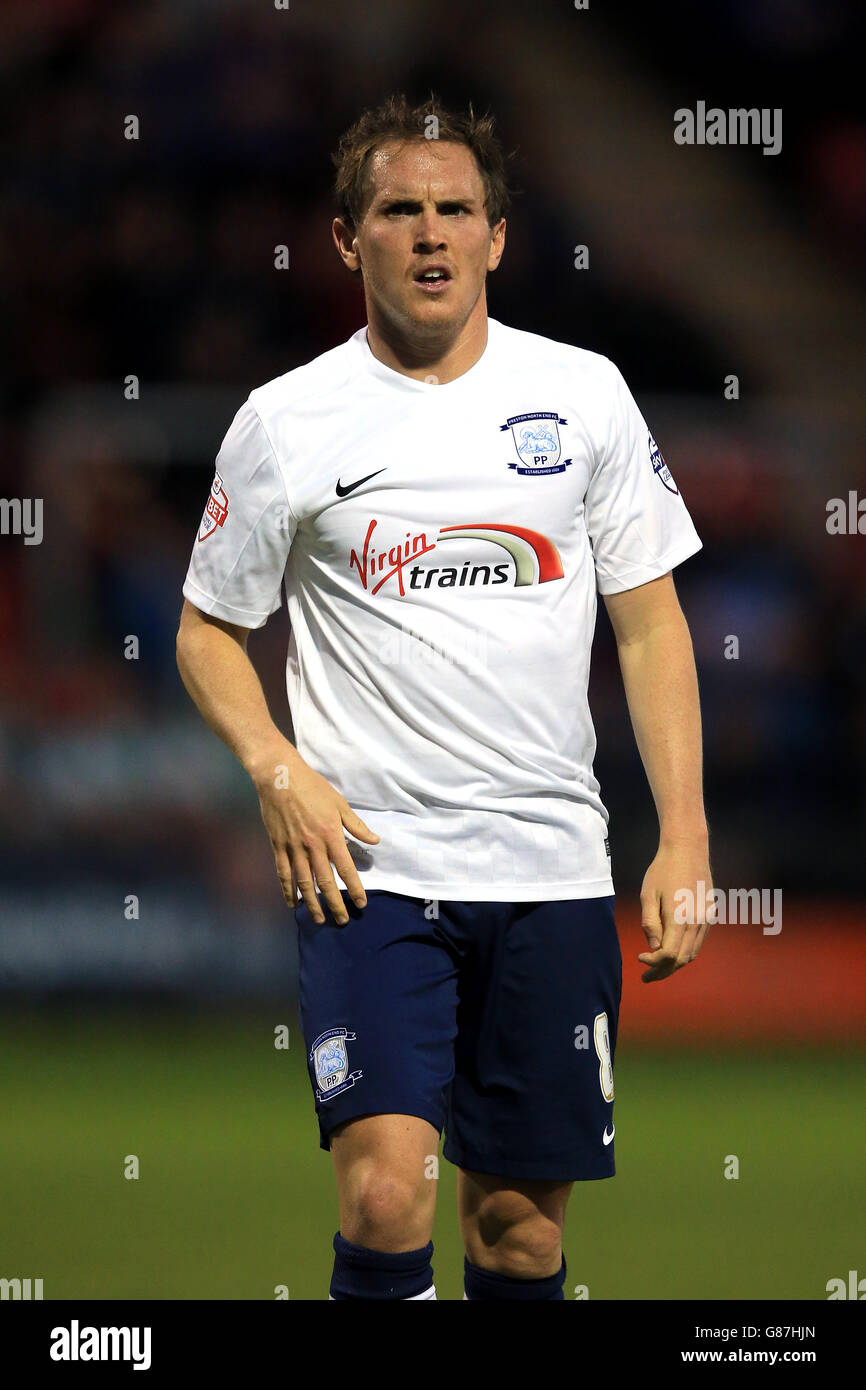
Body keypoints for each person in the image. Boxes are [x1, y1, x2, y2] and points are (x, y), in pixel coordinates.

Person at [175, 93, 713, 1301]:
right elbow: (207, 631)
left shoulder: (583, 397)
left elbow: (651, 622)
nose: (429, 233)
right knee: (383, 1194)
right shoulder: (285, 421)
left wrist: (682, 834)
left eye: (454, 210)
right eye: (399, 209)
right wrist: (277, 769)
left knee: (518, 1233)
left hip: (549, 871)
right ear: (345, 237)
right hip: (370, 867)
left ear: (497, 237)